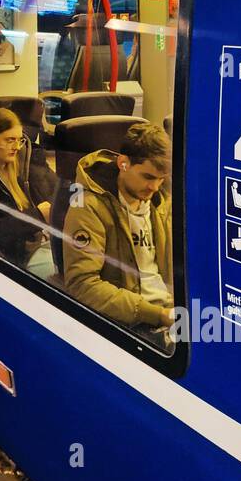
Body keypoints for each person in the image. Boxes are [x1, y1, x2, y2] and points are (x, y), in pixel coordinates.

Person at [61, 120, 174, 330]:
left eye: (161, 179)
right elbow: (83, 285)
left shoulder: (164, 200)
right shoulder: (88, 206)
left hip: (171, 309)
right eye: (148, 177)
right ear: (123, 163)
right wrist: (157, 315)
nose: (154, 187)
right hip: (133, 321)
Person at [0, 107, 58, 278]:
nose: (17, 147)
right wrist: (39, 216)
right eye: (9, 140)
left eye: (19, 140)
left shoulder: (14, 171)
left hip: (36, 245)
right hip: (19, 258)